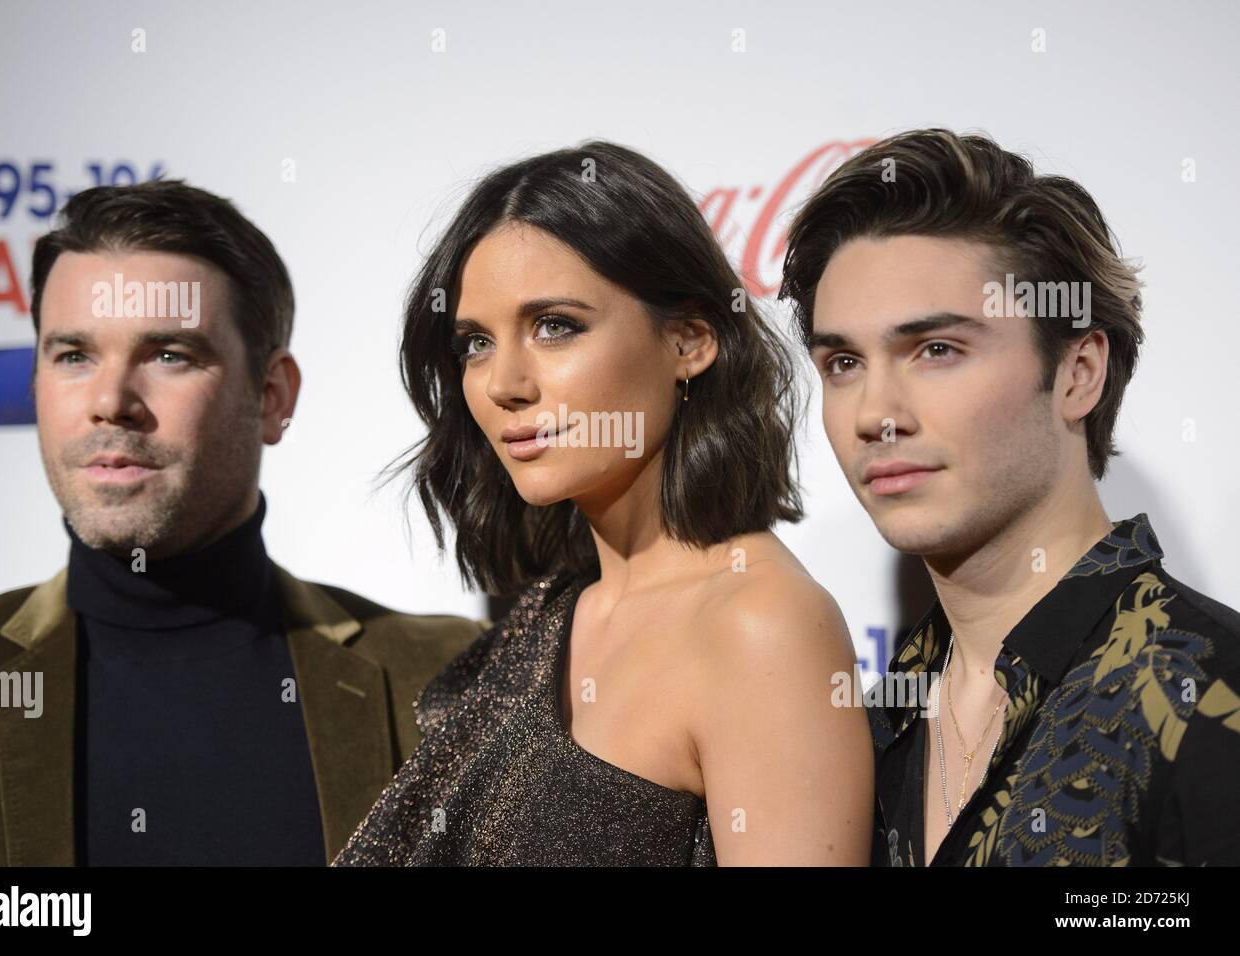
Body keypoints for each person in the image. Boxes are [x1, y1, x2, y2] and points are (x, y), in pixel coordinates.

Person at [332, 141, 872, 866]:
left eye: (555, 326)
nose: (504, 383)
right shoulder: (549, 609)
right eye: (476, 343)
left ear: (690, 340)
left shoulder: (759, 627)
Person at [0, 180, 485, 866]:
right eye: (73, 355)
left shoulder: (449, 683)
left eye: (169, 354)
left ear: (272, 397)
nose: (110, 401)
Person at [779, 127, 1240, 866]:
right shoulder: (871, 726)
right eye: (842, 362)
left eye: (937, 350)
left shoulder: (1213, 690)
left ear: (1078, 373)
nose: (875, 414)